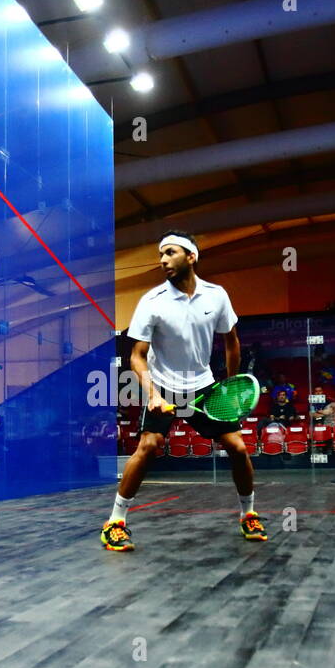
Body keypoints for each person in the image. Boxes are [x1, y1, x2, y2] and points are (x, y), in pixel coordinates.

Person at [102, 230, 265, 551]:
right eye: (161, 255)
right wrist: (153, 395)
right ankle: (114, 522)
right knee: (149, 446)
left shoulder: (217, 295)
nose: (163, 260)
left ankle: (248, 514)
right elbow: (137, 355)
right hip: (164, 386)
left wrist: (230, 386)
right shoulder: (152, 301)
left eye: (171, 252)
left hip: (203, 385)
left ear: (191, 256)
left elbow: (231, 341)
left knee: (238, 448)